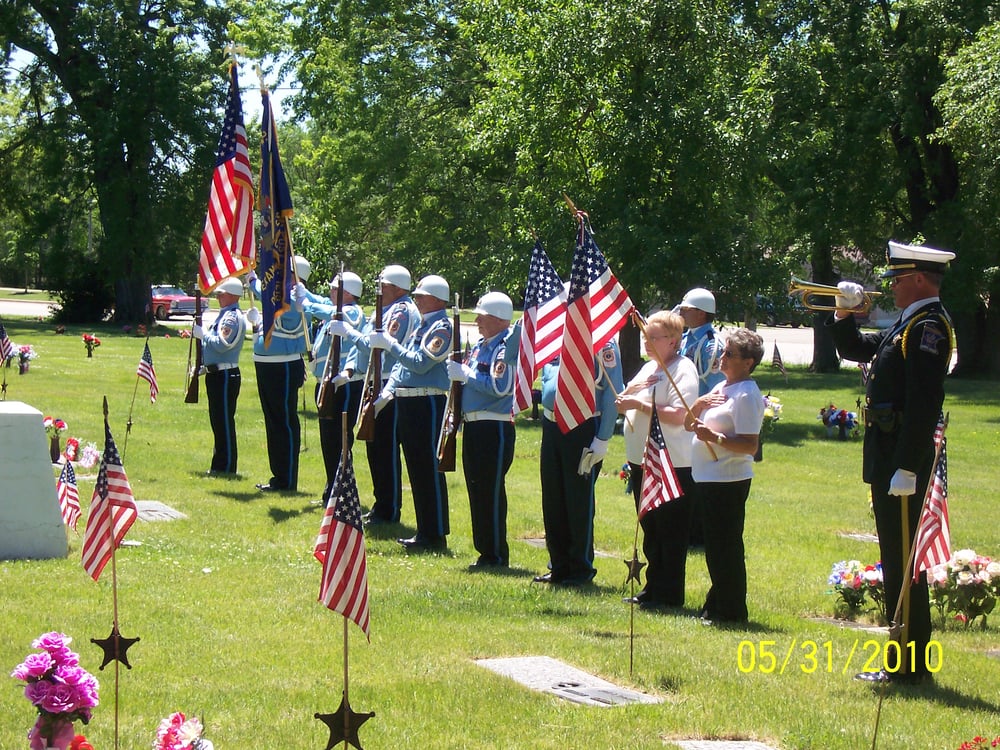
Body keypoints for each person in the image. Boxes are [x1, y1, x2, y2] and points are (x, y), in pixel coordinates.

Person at [829, 240, 955, 685]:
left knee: (904, 561)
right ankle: (904, 657)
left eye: (897, 279)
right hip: (888, 451)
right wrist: (844, 314)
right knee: (896, 556)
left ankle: (907, 665)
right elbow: (860, 350)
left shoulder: (928, 327)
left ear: (920, 279)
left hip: (903, 454)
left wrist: (908, 465)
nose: (892, 287)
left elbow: (924, 402)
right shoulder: (909, 322)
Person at [615, 311, 699, 608]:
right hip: (642, 461)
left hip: (671, 463)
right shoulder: (651, 368)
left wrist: (637, 403)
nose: (646, 342)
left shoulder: (682, 370)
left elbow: (680, 415)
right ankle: (654, 588)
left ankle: (670, 593)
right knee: (651, 528)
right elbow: (628, 396)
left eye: (654, 337)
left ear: (674, 340)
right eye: (644, 336)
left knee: (670, 531)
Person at [687, 327, 765, 624]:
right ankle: (716, 603)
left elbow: (749, 445)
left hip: (728, 479)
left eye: (729, 354)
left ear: (748, 362)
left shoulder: (746, 394)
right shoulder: (722, 387)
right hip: (708, 477)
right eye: (723, 352)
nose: (722, 358)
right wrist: (698, 407)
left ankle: (731, 610)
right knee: (716, 546)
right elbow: (689, 423)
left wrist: (714, 438)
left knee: (726, 546)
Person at [370, 274, 453, 551]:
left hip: (427, 401)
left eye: (422, 295)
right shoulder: (424, 325)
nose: (417, 298)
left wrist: (390, 345)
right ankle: (425, 530)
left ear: (437, 299)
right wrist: (389, 391)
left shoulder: (441, 327)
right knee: (416, 469)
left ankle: (435, 533)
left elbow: (419, 364)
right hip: (409, 399)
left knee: (428, 467)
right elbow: (403, 367)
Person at [534, 340, 623, 586]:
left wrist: (603, 437)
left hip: (582, 424)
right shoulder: (555, 334)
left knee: (578, 501)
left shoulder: (603, 340)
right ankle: (559, 564)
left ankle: (580, 567)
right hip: (552, 424)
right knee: (553, 497)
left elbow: (613, 392)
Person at [336, 265, 420, 524]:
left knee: (385, 448)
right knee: (375, 446)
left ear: (396, 288)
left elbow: (378, 344)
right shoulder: (389, 308)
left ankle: (390, 508)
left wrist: (349, 333)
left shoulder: (403, 312)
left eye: (384, 286)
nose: (380, 290)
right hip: (375, 379)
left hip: (388, 382)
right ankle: (381, 503)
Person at [447, 292, 516, 569]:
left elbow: (501, 387)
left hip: (494, 425)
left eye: (482, 316)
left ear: (499, 319)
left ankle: (496, 554)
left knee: (490, 490)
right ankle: (484, 551)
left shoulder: (504, 347)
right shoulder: (480, 346)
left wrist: (466, 374)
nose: (476, 320)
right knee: (476, 489)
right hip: (475, 424)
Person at [299, 271, 369, 505]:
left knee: (339, 440)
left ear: (348, 293)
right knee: (328, 440)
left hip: (343, 384)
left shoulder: (351, 311)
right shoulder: (337, 307)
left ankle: (342, 491)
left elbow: (329, 310)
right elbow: (323, 303)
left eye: (335, 289)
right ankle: (332, 490)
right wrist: (304, 293)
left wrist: (307, 303)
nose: (330, 292)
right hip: (327, 383)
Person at [248, 254, 311, 492]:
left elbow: (272, 298)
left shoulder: (297, 296)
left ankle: (286, 479)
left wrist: (255, 281)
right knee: (273, 421)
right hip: (269, 362)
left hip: (283, 364)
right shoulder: (285, 295)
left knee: (283, 421)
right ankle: (279, 476)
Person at [194, 276, 247, 475]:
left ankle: (225, 466)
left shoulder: (232, 317)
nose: (218, 297)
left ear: (232, 295)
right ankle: (220, 463)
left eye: (221, 294)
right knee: (218, 420)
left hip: (225, 374)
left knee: (223, 420)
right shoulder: (224, 315)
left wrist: (203, 335)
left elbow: (223, 344)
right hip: (217, 373)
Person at [678, 287, 724, 396]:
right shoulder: (684, 338)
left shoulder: (711, 346)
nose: (681, 313)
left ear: (701, 314)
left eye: (686, 309)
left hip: (699, 409)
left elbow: (716, 387)